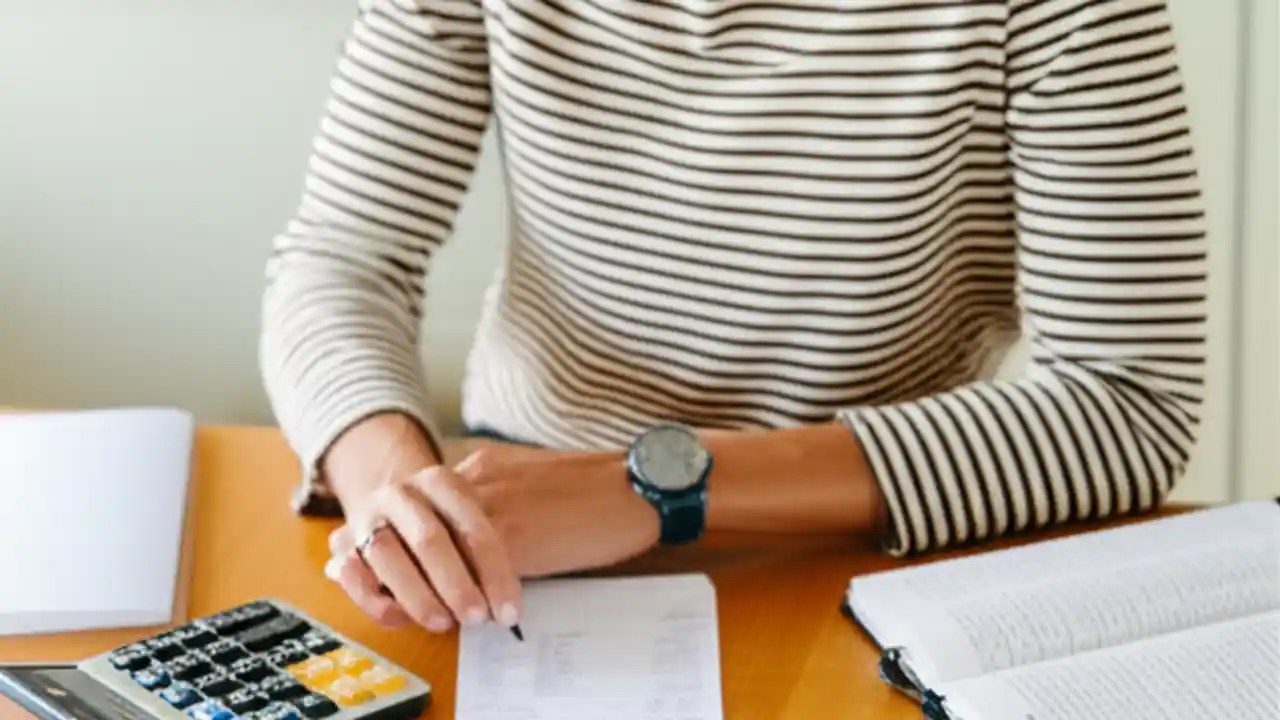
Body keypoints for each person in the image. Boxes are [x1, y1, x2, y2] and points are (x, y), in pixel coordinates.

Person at [260, 0, 1206, 635]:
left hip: (878, 535)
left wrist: (652, 489)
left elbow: (1129, 400)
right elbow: (341, 263)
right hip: (517, 526)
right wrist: (410, 505)